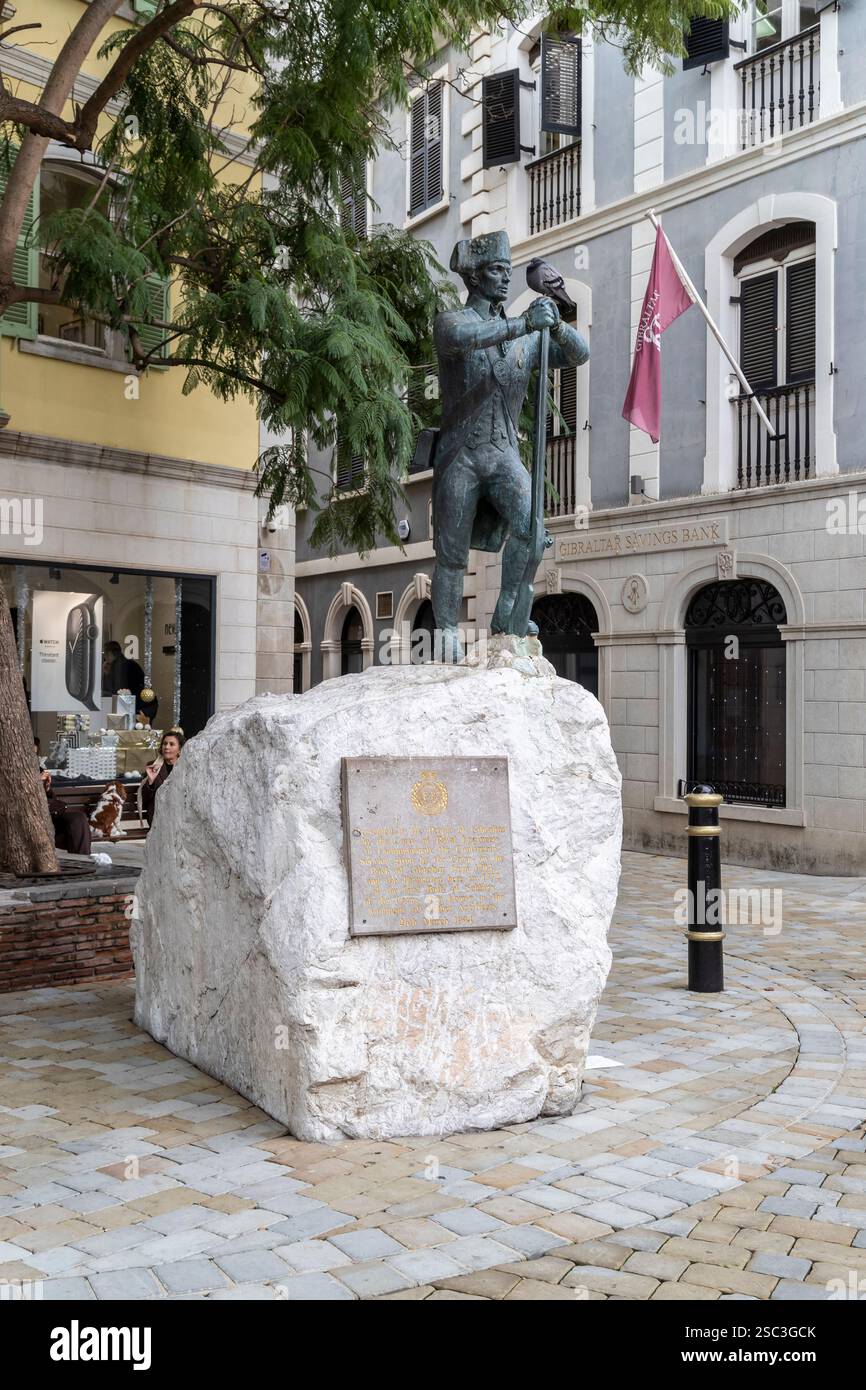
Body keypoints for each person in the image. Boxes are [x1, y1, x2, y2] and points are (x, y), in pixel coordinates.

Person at [431, 230, 589, 661]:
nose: (506, 280)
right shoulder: (452, 322)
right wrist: (524, 323)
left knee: (532, 528)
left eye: (507, 272)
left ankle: (508, 615)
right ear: (477, 279)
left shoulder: (525, 339)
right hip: (460, 454)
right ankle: (446, 628)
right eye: (498, 272)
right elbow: (465, 341)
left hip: (502, 454)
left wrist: (554, 323)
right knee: (451, 551)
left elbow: (579, 354)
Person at [39, 766, 92, 855]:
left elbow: (52, 800)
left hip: (51, 816)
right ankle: (80, 861)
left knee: (78, 818)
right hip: (34, 820)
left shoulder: (35, 767)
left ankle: (82, 859)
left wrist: (47, 788)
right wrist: (36, 781)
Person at [141, 729, 184, 826]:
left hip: (180, 815)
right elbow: (145, 799)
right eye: (165, 744)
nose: (166, 747)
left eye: (171, 744)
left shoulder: (185, 767)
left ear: (180, 749)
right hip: (159, 816)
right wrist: (151, 782)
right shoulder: (153, 766)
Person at [102, 641, 146, 707]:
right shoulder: (128, 665)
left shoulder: (122, 667)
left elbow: (115, 690)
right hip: (131, 702)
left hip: (128, 704)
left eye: (105, 654)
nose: (105, 657)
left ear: (110, 653)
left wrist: (107, 675)